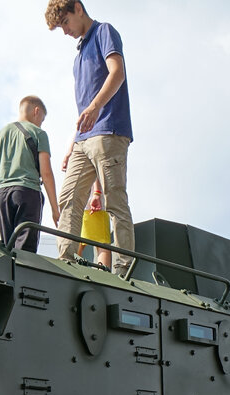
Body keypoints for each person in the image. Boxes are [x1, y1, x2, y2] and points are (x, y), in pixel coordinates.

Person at [45, 1, 134, 277]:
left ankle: (122, 269)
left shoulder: (104, 32)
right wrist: (72, 144)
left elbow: (117, 72)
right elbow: (83, 109)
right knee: (69, 198)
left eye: (65, 23)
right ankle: (66, 260)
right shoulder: (78, 55)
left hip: (109, 131)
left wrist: (96, 107)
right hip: (84, 139)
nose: (65, 32)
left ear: (78, 9)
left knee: (114, 200)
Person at [0, 96, 60, 253]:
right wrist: (55, 209)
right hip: (27, 192)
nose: (41, 123)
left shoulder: (0, 135)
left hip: (2, 196)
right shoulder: (39, 133)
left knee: (8, 251)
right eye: (42, 119)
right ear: (37, 111)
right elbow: (46, 173)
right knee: (25, 253)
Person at [79, 181, 113, 268]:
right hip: (92, 203)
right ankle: (104, 276)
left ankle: (72, 271)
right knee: (102, 243)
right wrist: (97, 192)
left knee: (77, 241)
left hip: (81, 203)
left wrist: (96, 192)